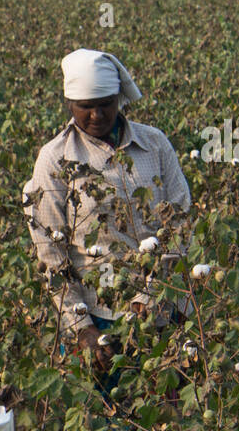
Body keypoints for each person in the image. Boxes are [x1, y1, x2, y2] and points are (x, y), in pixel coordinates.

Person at [23, 49, 192, 392]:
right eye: (85, 106)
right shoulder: (55, 159)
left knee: (163, 424)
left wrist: (153, 294)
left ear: (119, 99)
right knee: (96, 428)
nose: (96, 114)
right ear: (69, 104)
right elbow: (51, 253)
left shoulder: (154, 144)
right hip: (95, 315)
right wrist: (81, 325)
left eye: (105, 104)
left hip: (160, 308)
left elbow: (181, 221)